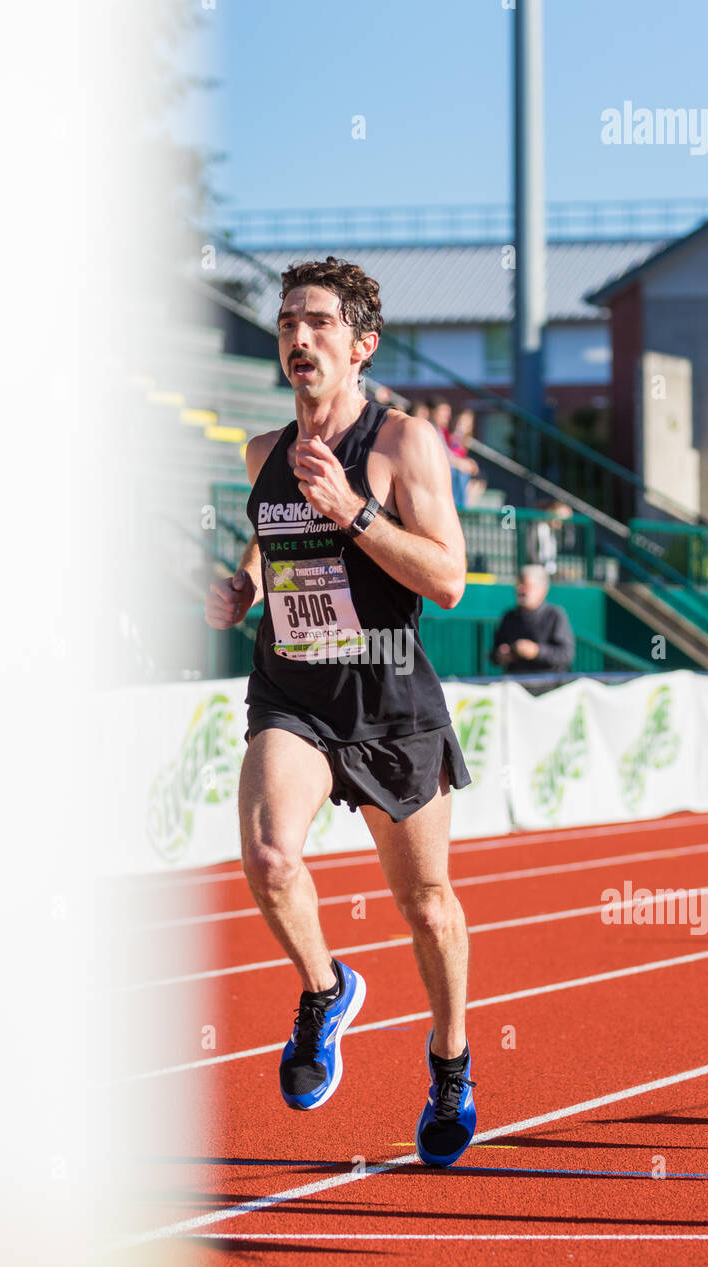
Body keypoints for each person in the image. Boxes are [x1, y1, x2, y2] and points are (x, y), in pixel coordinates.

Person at [205, 255, 477, 1169]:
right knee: (273, 855)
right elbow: (271, 538)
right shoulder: (262, 454)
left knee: (427, 905)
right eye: (286, 321)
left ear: (360, 345)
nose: (297, 336)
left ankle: (450, 1061)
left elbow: (447, 579)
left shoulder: (404, 446)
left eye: (317, 322)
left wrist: (356, 513)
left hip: (390, 697)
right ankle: (324, 991)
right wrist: (243, 583)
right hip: (295, 693)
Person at [491, 564, 575, 674]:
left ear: (542, 590)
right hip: (515, 685)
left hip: (548, 686)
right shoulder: (509, 616)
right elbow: (494, 654)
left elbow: (566, 655)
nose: (520, 589)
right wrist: (501, 655)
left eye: (525, 585)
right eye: (518, 584)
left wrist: (536, 651)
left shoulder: (555, 615)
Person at [449, 408, 485, 508]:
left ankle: (467, 505)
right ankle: (462, 505)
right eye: (461, 421)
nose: (462, 425)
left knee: (480, 478)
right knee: (461, 474)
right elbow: (451, 455)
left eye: (467, 423)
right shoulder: (451, 437)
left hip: (462, 467)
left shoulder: (466, 441)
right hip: (455, 467)